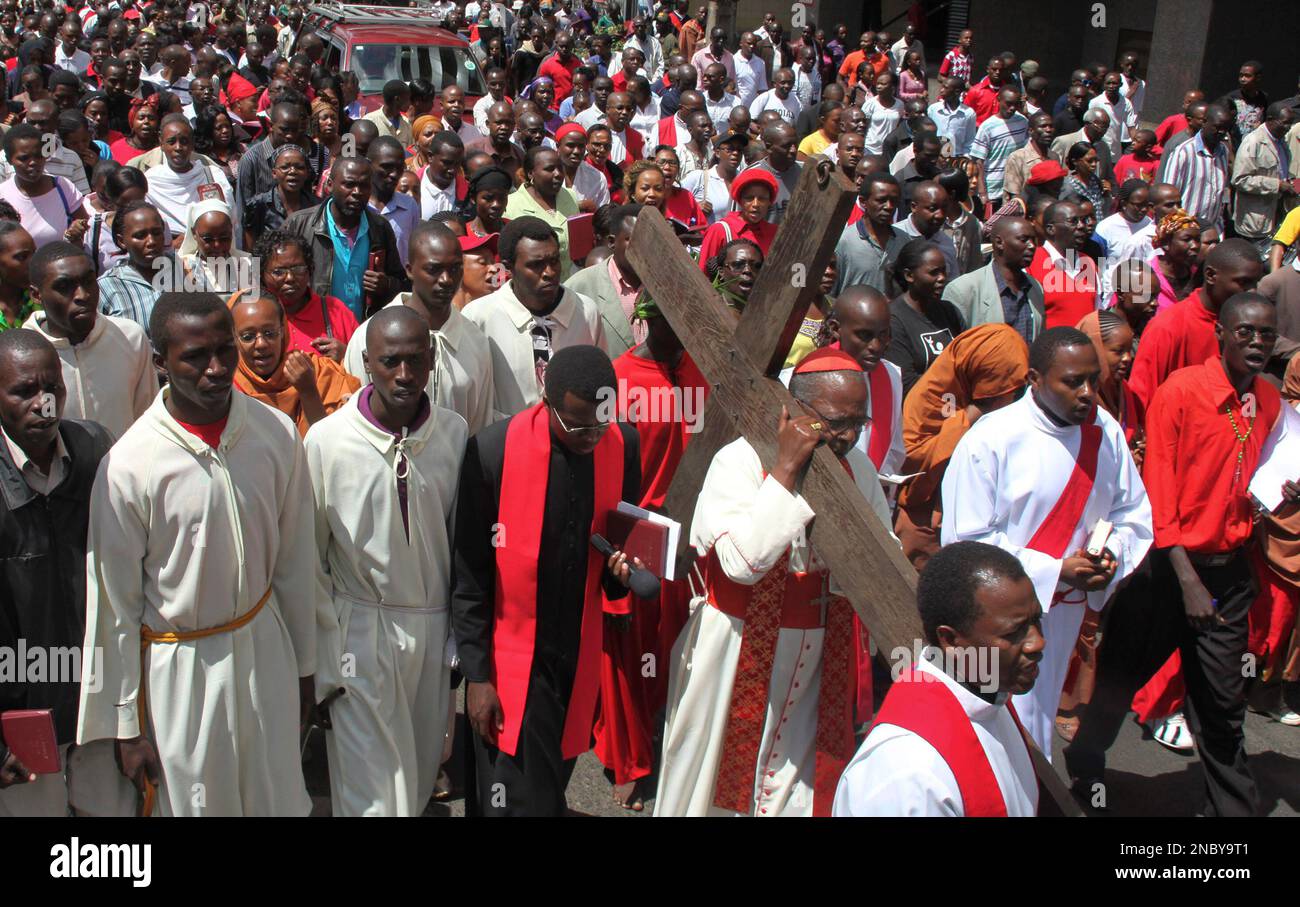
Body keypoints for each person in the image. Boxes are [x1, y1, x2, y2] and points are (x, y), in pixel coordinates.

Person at [78, 292, 321, 816]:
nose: (215, 369)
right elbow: (113, 605)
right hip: (179, 672)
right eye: (194, 356)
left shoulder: (275, 433)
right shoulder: (129, 465)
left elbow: (297, 564)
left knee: (274, 798)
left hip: (265, 652)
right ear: (161, 362)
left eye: (223, 350)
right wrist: (126, 724)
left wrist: (307, 666)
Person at [1067, 293, 1291, 816]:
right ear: (1222, 335)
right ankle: (1086, 761)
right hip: (1168, 569)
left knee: (1221, 702)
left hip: (1228, 574)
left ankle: (1230, 813)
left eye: (1265, 334)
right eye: (1245, 332)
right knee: (1122, 677)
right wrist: (1187, 579)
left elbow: (1258, 479)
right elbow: (1158, 492)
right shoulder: (1181, 392)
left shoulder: (1270, 400)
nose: (1256, 343)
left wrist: (1284, 492)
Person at [654, 347, 895, 816]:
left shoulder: (858, 470)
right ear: (796, 409)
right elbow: (743, 563)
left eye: (858, 423)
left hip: (819, 659)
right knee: (707, 782)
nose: (847, 437)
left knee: (797, 788)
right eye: (833, 422)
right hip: (734, 648)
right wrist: (783, 472)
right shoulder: (740, 460)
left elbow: (879, 560)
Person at [941, 327, 1152, 755]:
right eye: (1073, 381)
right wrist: (1055, 570)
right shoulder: (992, 439)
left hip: (1065, 614)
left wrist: (1110, 557)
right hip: (1000, 622)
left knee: (1036, 725)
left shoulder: (1104, 433)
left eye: (1095, 379)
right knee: (994, 723)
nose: (1088, 393)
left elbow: (1131, 511)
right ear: (1034, 379)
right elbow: (966, 544)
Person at [452, 344, 641, 816]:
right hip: (514, 659)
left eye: (600, 422)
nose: (591, 436)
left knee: (549, 786)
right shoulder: (492, 451)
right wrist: (477, 676)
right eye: (577, 424)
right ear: (546, 398)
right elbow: (469, 572)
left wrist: (622, 576)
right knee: (517, 800)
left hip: (576, 655)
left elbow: (618, 558)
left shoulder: (623, 445)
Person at [304, 305, 466, 816]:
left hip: (429, 630)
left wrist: (459, 642)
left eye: (416, 361)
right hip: (356, 633)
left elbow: (463, 547)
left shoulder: (455, 435)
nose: (404, 375)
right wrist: (316, 658)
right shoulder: (327, 440)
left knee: (415, 782)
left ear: (432, 359)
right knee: (369, 791)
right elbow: (310, 557)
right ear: (366, 361)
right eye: (389, 361)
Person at [0, 328, 126, 817]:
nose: (43, 404)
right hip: (21, 719)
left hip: (99, 708)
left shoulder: (96, 450)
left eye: (52, 388)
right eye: (24, 391)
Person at [834, 541, 1042, 816]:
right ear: (951, 640)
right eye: (1013, 633)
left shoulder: (991, 695)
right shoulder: (905, 773)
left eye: (1036, 620)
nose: (1037, 643)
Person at [894, 325, 1029, 569]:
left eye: (1017, 391)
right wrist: (972, 416)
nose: (1011, 400)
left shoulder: (1010, 412)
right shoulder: (930, 400)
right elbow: (912, 458)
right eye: (1004, 390)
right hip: (923, 524)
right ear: (978, 373)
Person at [345, 222, 495, 435]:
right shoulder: (370, 336)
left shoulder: (475, 342)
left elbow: (480, 427)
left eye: (454, 269)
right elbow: (354, 418)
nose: (446, 280)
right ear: (409, 270)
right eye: (434, 269)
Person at [463, 215, 607, 417]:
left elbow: (599, 385)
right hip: (507, 441)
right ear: (509, 267)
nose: (549, 272)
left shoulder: (586, 312)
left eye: (554, 261)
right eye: (536, 265)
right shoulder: (479, 318)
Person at [22, 241, 155, 438]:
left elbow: (147, 418)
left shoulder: (130, 337)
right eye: (64, 286)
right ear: (36, 294)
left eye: (88, 281)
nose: (82, 295)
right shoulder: (20, 356)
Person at [1129, 239, 1263, 406]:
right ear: (1211, 276)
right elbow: (1142, 399)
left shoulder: (1250, 329)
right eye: (1243, 282)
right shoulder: (1168, 327)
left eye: (1256, 283)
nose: (1253, 291)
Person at [281, 157, 408, 322]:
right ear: (330, 186)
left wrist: (386, 285)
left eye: (364, 186)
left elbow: (402, 283)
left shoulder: (380, 228)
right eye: (349, 185)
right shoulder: (298, 225)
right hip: (316, 331)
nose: (357, 192)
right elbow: (271, 277)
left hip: (364, 334)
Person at [229, 293, 358, 435]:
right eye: (248, 337)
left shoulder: (317, 371)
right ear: (233, 337)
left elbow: (334, 444)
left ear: (283, 331)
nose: (261, 344)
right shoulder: (226, 387)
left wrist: (308, 391)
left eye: (270, 333)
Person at [943, 216, 1045, 345]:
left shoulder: (1035, 288)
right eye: (1023, 239)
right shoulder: (962, 290)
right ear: (999, 243)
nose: (1031, 246)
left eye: (1033, 240)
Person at [884, 239, 967, 395]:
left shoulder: (949, 311)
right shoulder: (894, 319)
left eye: (944, 271)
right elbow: (906, 383)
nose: (942, 278)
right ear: (909, 275)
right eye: (934, 272)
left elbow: (968, 358)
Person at [0, 125, 88, 251]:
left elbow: (85, 222)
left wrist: (77, 229)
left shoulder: (62, 186)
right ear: (9, 160)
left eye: (38, 155)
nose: (33, 162)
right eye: (24, 158)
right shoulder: (2, 195)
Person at [1232, 102, 1297, 261]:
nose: (1288, 127)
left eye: (1291, 123)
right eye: (1285, 123)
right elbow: (1240, 179)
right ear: (1270, 119)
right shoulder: (1253, 141)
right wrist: (1277, 185)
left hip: (1274, 215)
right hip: (1254, 219)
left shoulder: (1281, 142)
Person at [505, 146, 580, 278]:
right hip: (531, 288)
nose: (558, 173)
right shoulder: (511, 206)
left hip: (568, 283)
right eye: (549, 169)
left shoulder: (570, 196)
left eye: (560, 168)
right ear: (530, 173)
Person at [97, 201, 171, 332]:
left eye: (156, 232)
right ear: (121, 241)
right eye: (140, 236)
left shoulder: (188, 268)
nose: (151, 242)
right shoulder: (106, 288)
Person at [1027, 200, 1099, 330]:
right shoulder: (1031, 262)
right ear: (1051, 228)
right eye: (1073, 221)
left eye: (1083, 220)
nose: (1082, 226)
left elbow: (1098, 312)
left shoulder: (1089, 263)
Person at [1162, 104, 1231, 232]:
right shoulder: (1184, 152)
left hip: (1213, 229)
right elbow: (1169, 195)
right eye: (1217, 127)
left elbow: (1222, 191)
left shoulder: (1224, 153)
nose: (1221, 132)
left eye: (1225, 129)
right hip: (1186, 228)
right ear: (1204, 122)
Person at [695, 168, 778, 268]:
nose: (755, 204)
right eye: (749, 198)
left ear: (769, 202)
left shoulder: (775, 233)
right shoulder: (720, 230)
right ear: (740, 200)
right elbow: (703, 274)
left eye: (762, 199)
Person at [834, 171, 900, 294]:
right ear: (863, 201)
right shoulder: (844, 242)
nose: (889, 206)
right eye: (881, 200)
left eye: (894, 201)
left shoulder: (903, 240)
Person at [366, 137, 421, 269]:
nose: (394, 174)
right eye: (386, 167)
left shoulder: (409, 205)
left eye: (399, 168)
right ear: (369, 165)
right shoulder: (358, 205)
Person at [970, 87, 1028, 212]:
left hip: (1016, 188)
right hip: (993, 191)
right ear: (998, 100)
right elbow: (978, 161)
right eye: (1008, 103)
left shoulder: (1023, 122)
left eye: (1016, 104)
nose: (1012, 108)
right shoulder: (987, 127)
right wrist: (982, 192)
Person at [1002, 111, 1054, 204]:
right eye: (1043, 126)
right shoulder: (1017, 158)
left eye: (1051, 126)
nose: (1048, 130)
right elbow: (1013, 196)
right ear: (1031, 130)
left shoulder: (1055, 157)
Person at [420, 131, 468, 220]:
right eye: (447, 163)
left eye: (457, 164)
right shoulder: (412, 189)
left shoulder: (467, 195)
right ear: (430, 157)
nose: (452, 170)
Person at [928, 77, 977, 159]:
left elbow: (970, 140)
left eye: (946, 88)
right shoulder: (933, 109)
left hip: (956, 158)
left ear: (957, 92)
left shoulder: (968, 113)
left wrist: (965, 159)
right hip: (935, 157)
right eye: (942, 87)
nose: (941, 90)